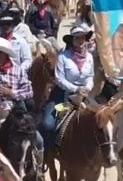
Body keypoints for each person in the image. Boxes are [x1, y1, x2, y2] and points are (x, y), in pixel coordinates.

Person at [40, 23, 95, 153]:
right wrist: (76, 89)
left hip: (84, 96)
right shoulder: (63, 57)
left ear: (86, 39)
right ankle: (48, 153)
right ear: (72, 40)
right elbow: (59, 79)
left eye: (82, 37)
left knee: (101, 118)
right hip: (63, 98)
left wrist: (87, 88)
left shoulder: (90, 57)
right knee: (48, 124)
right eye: (76, 38)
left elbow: (91, 76)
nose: (80, 41)